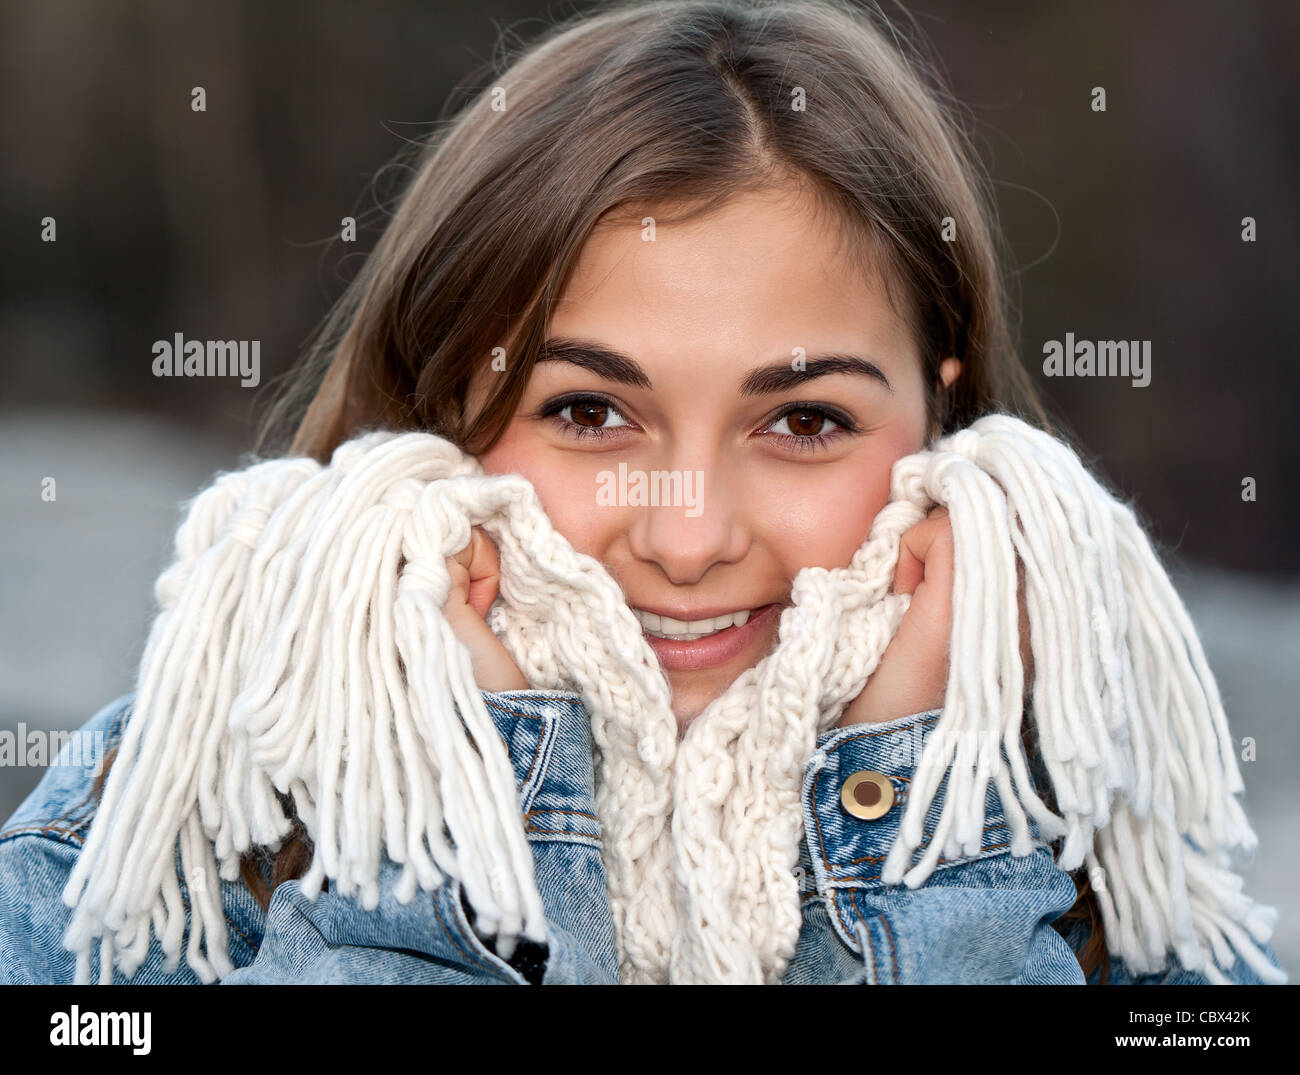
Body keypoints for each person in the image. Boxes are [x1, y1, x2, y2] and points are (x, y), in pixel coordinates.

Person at [0, 0, 1284, 985]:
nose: (687, 536)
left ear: (942, 423)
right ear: (439, 416)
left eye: (801, 419)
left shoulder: (1103, 839)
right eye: (589, 411)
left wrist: (925, 830)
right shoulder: (163, 816)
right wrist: (443, 817)